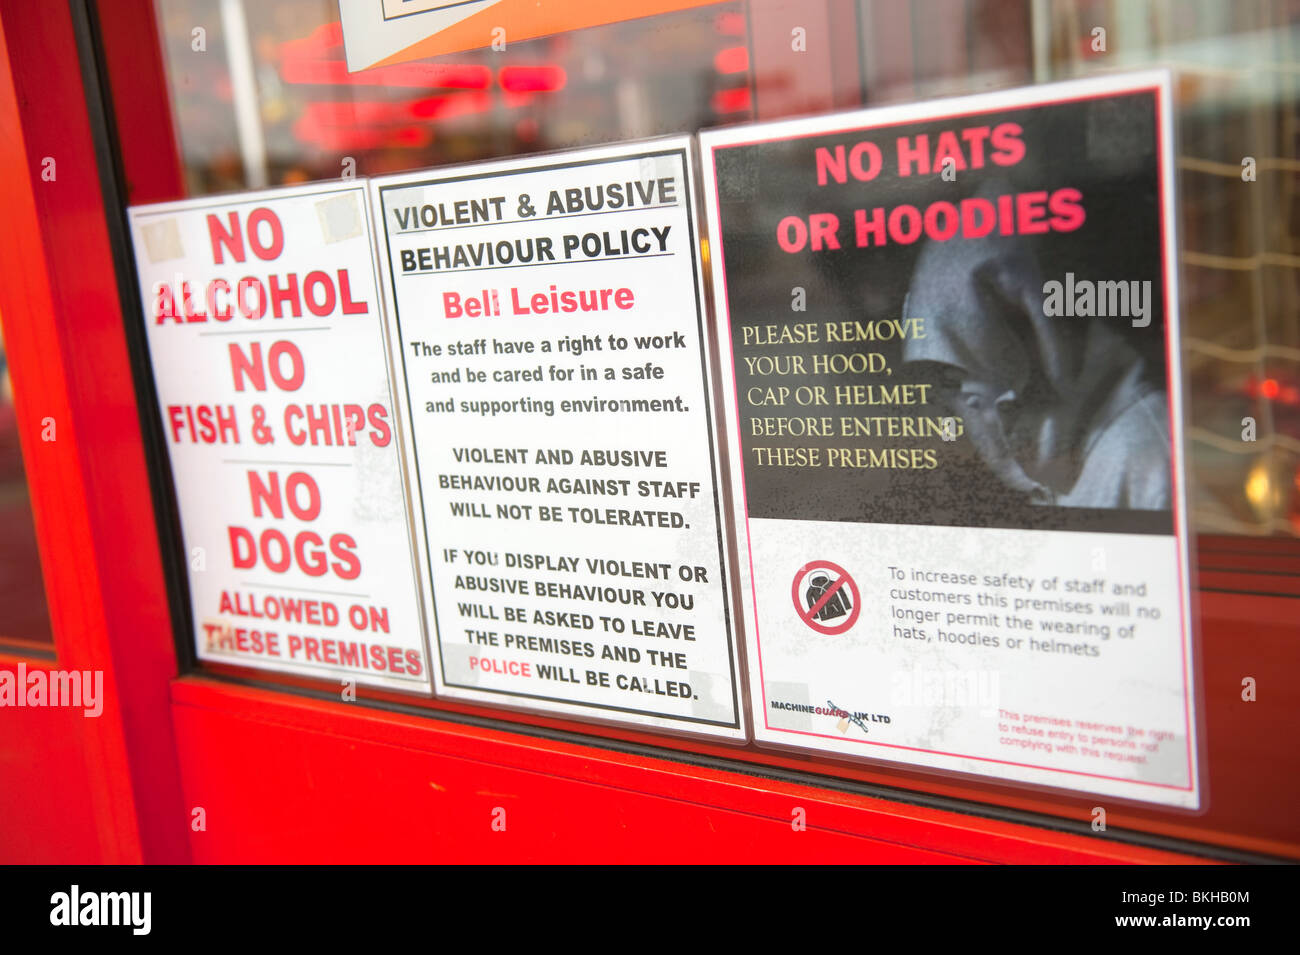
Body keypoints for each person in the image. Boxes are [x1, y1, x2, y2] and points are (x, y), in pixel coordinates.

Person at [900, 226, 1171, 510]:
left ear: (1039, 335)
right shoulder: (1057, 461)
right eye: (948, 377)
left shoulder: (1148, 456)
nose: (966, 401)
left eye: (973, 361)